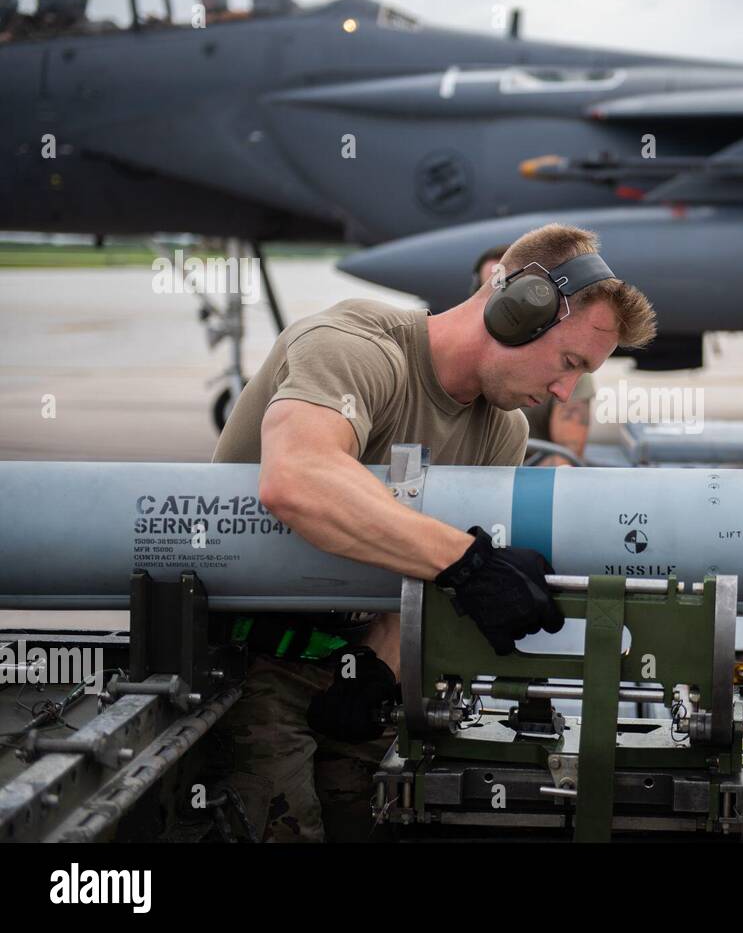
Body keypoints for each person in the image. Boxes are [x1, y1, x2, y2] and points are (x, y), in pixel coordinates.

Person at [206, 223, 657, 841]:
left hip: (351, 665)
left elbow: (417, 567)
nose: (564, 391)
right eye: (568, 362)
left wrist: (380, 666)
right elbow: (298, 479)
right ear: (515, 312)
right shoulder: (353, 346)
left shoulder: (502, 430)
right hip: (244, 660)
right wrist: (470, 564)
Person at [474, 245, 596, 465]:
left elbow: (567, 454)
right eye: (489, 290)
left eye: (507, 292)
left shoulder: (565, 368)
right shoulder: (460, 358)